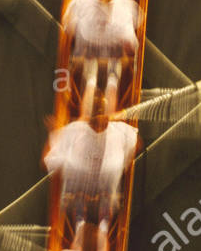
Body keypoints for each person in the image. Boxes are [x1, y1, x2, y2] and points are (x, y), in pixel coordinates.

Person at [43, 90, 139, 229]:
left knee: (97, 203)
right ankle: (88, 224)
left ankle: (96, 224)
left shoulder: (120, 132)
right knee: (83, 202)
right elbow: (48, 162)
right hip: (82, 201)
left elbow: (48, 161)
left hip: (101, 201)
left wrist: (55, 134)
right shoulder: (73, 132)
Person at [64, 0, 141, 112]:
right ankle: (109, 118)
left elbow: (67, 28)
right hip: (113, 59)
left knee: (91, 75)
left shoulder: (79, 3)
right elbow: (133, 45)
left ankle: (85, 111)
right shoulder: (128, 6)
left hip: (87, 58)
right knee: (113, 78)